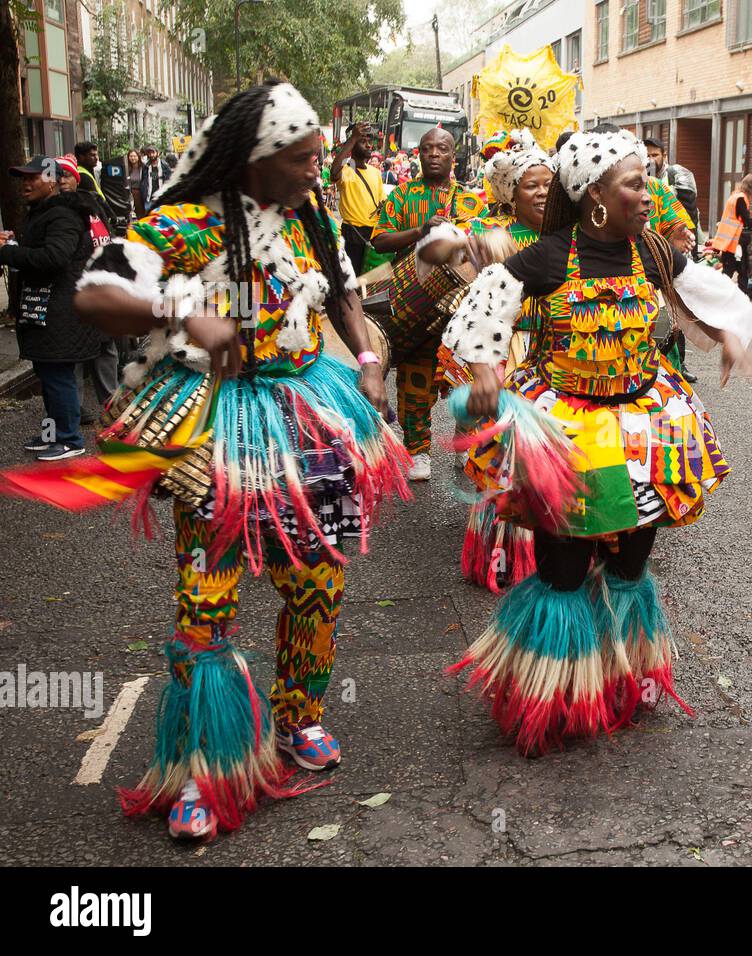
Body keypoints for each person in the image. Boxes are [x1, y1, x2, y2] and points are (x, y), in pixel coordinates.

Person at [63, 80, 409, 841]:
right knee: (207, 603)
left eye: (320, 154)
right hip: (223, 431)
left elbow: (346, 296)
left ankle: (297, 719)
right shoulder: (188, 225)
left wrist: (369, 365)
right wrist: (183, 312)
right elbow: (94, 291)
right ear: (254, 158)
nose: (319, 167)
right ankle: (206, 768)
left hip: (309, 417)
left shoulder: (311, 214)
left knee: (317, 579)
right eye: (303, 156)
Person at [440, 129, 752, 756]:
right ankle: (554, 689)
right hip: (570, 431)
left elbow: (705, 295)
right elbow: (483, 303)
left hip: (644, 426)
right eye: (636, 183)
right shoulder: (551, 256)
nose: (650, 195)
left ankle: (618, 672)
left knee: (631, 561)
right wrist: (483, 371)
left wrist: (727, 334)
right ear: (595, 199)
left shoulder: (654, 253)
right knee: (564, 568)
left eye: (648, 181)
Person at [422, 130, 553, 592]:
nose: (540, 192)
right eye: (529, 185)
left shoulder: (565, 236)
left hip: (551, 354)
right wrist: (464, 246)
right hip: (506, 352)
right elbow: (441, 255)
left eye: (547, 183)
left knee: (544, 458)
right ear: (510, 192)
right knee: (504, 456)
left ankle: (548, 547)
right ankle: (501, 552)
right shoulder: (494, 236)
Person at [370, 124, 486, 481]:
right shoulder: (403, 196)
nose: (434, 154)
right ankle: (417, 450)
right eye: (427, 149)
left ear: (454, 156)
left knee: (467, 379)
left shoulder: (471, 199)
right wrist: (420, 232)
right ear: (418, 154)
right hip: (414, 304)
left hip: (461, 307)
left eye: (442, 149)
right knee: (414, 382)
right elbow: (380, 240)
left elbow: (481, 244)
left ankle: (466, 443)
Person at [0, 156, 104, 461]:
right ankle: (51, 435)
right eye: (23, 179)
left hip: (61, 312)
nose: (26, 184)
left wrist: (7, 253)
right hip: (43, 309)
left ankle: (71, 439)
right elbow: (42, 250)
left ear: (52, 180)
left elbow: (54, 257)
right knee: (46, 374)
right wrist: (15, 244)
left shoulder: (62, 214)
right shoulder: (44, 212)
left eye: (33, 178)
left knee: (57, 375)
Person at [54, 156, 119, 413]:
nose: (61, 180)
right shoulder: (53, 210)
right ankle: (75, 409)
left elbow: (107, 240)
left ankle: (113, 406)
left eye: (66, 175)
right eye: (56, 175)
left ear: (76, 178)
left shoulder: (92, 204)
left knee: (106, 347)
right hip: (73, 291)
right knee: (74, 353)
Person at [329, 121, 385, 276]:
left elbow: (382, 202)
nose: (368, 145)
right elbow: (334, 173)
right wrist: (352, 139)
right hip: (353, 234)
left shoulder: (376, 173)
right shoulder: (348, 169)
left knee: (369, 279)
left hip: (372, 235)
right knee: (351, 279)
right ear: (352, 145)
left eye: (369, 142)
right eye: (362, 141)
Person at [712, 174, 752, 291]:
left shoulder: (735, 196)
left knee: (730, 269)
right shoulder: (741, 199)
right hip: (736, 240)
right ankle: (740, 297)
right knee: (741, 270)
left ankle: (719, 292)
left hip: (729, 240)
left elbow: (738, 217)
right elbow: (745, 220)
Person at [140, 146, 170, 211]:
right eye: (149, 153)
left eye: (153, 153)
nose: (151, 155)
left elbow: (169, 181)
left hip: (162, 199)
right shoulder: (146, 167)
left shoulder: (165, 166)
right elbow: (143, 181)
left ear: (157, 153)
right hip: (149, 199)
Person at [124, 148, 144, 218]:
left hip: (140, 193)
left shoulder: (143, 167)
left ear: (138, 157)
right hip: (130, 193)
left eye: (134, 156)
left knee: (141, 213)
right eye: (131, 156)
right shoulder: (126, 168)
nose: (133, 158)